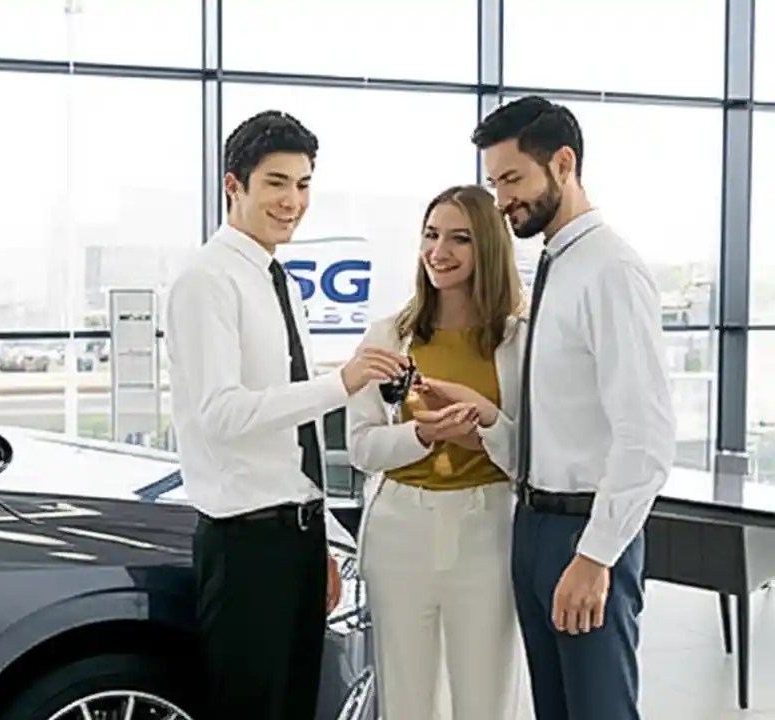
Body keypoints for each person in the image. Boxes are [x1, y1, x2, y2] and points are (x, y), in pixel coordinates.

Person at [164, 109, 410, 720]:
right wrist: (341, 383)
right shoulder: (206, 281)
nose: (293, 201)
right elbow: (222, 413)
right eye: (276, 182)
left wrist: (321, 539)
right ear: (233, 185)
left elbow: (290, 437)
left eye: (303, 185)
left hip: (295, 540)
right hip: (245, 546)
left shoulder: (280, 282)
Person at [472, 95, 676, 720]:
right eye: (494, 183)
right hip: (534, 527)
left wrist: (595, 556)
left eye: (512, 179)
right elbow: (558, 427)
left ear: (563, 164)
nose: (502, 200)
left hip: (583, 532)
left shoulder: (610, 270)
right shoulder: (557, 266)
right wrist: (485, 421)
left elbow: (646, 436)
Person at [346, 184, 529, 720]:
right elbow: (361, 446)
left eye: (459, 239)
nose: (439, 252)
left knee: (486, 698)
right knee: (405, 699)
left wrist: (486, 424)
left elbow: (533, 454)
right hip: (400, 530)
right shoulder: (388, 335)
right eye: (431, 235)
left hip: (488, 531)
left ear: (489, 249)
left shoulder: (520, 339)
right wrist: (422, 436)